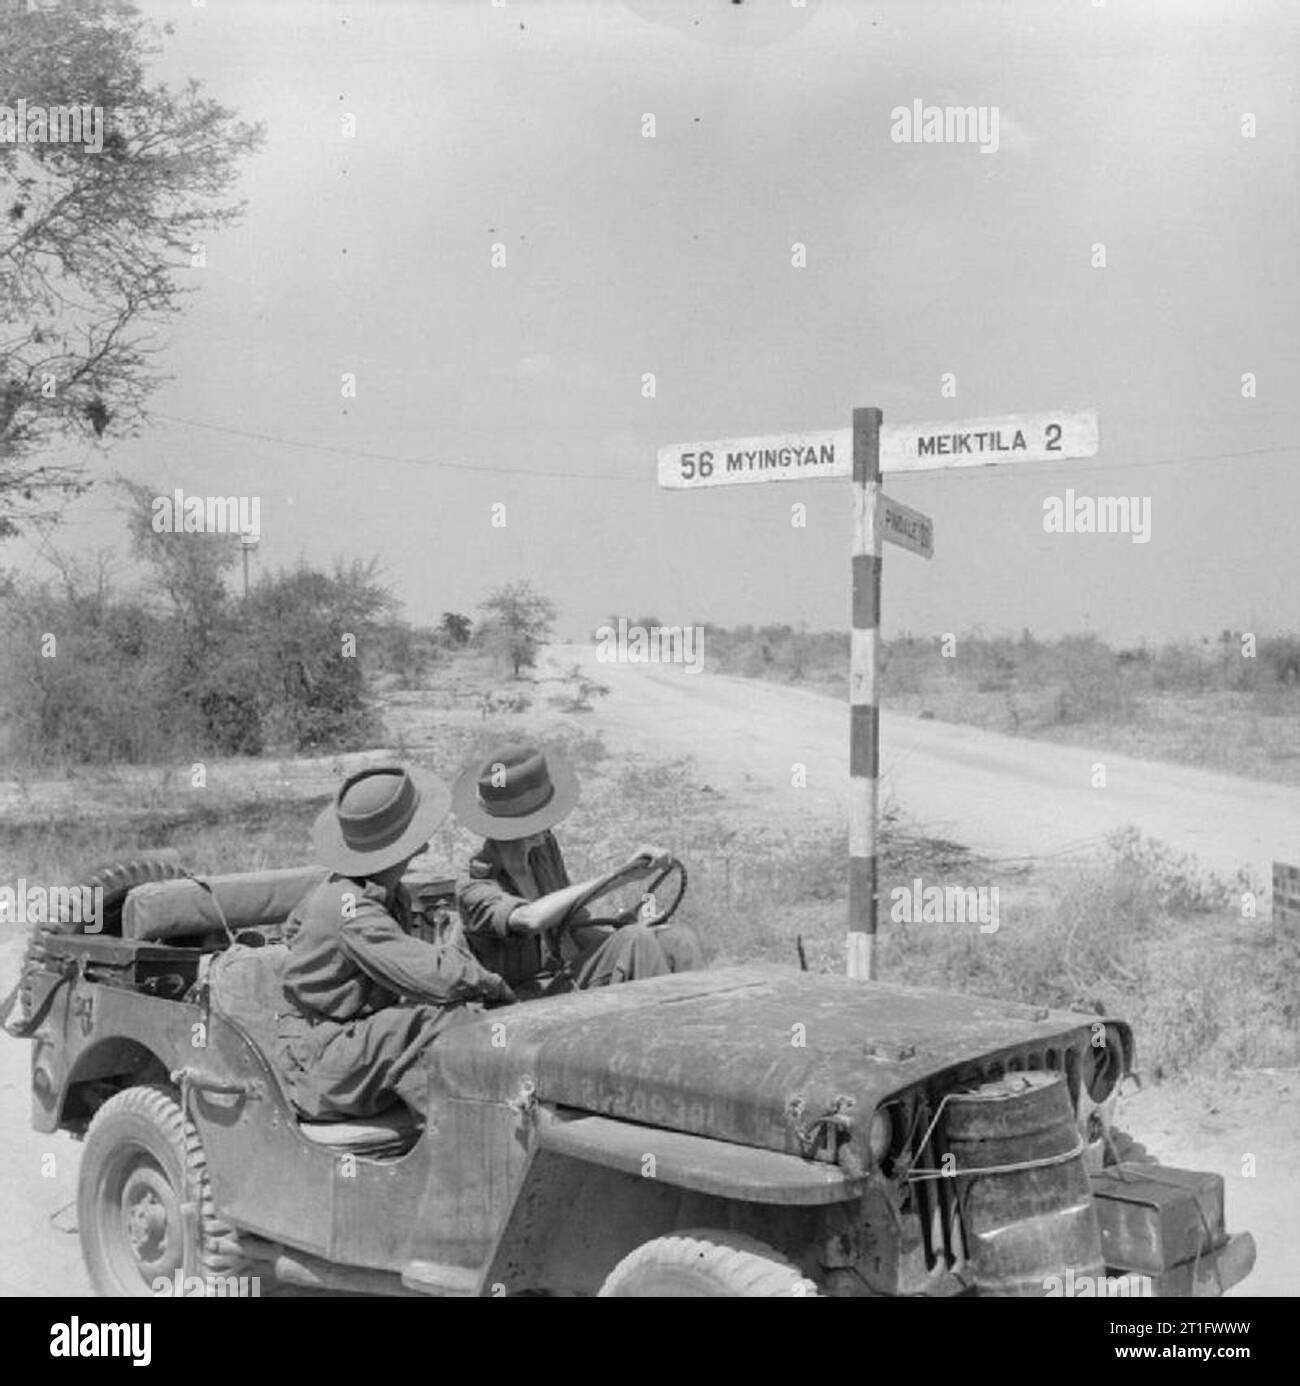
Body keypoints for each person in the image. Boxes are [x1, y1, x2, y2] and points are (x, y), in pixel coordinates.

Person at [276, 763, 512, 1121]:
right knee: (441, 1019)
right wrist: (494, 985)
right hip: (321, 1062)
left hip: (338, 1042)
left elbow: (293, 928)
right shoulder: (349, 906)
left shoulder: (370, 890)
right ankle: (457, 1130)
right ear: (410, 843)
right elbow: (436, 976)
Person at [451, 744, 701, 995]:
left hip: (564, 976)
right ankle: (669, 1029)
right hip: (522, 1001)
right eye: (538, 820)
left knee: (677, 941)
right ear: (511, 829)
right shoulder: (474, 886)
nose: (548, 826)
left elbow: (572, 926)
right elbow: (530, 919)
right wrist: (620, 877)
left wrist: (619, 936)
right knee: (635, 941)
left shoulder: (542, 850)